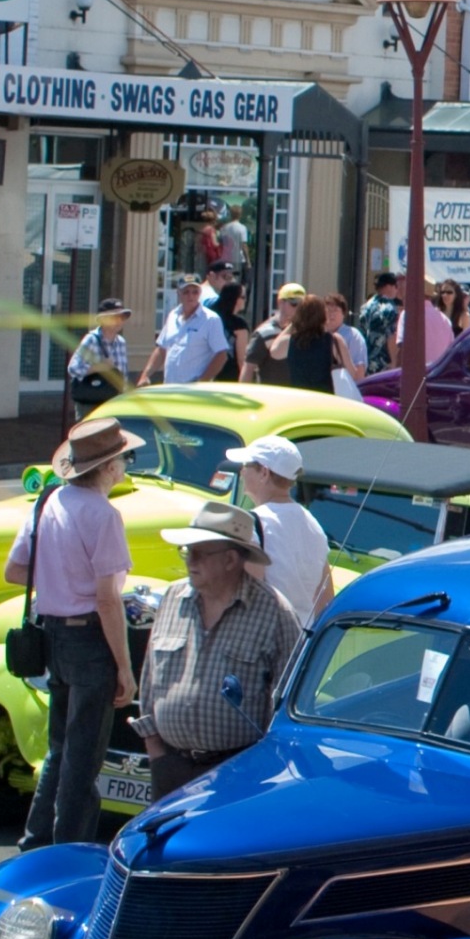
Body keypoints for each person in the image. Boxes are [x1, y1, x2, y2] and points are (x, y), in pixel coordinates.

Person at [6, 419, 141, 848]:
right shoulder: (103, 514)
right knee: (83, 759)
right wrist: (125, 666)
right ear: (108, 468)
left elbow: (14, 570)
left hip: (54, 637)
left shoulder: (50, 501)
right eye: (122, 458)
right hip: (88, 639)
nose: (125, 465)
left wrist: (58, 576)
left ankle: (35, 841)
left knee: (60, 749)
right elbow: (106, 600)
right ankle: (68, 852)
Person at [132, 502, 304, 801]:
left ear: (230, 560)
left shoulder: (274, 612)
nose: (190, 560)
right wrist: (156, 751)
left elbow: (287, 700)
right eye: (187, 551)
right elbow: (150, 679)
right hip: (170, 765)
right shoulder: (174, 598)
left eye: (200, 552)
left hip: (236, 770)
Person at [226, 434, 333, 625]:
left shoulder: (253, 524)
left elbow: (248, 599)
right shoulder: (315, 527)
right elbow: (325, 601)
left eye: (246, 465)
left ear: (264, 473)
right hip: (302, 643)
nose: (241, 472)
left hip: (267, 642)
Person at [140, 279, 233, 386]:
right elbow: (161, 349)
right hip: (169, 386)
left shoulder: (211, 319)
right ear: (178, 293)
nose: (191, 296)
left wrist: (202, 381)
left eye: (195, 292)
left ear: (200, 293)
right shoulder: (173, 315)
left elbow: (221, 355)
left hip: (194, 390)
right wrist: (145, 375)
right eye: (186, 292)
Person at [266, 295, 353, 395]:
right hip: (327, 401)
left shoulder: (290, 341)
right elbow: (352, 373)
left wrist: (293, 324)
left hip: (301, 400)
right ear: (323, 316)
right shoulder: (334, 341)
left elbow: (273, 351)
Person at [67, 298, 132, 421]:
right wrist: (100, 367)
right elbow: (73, 368)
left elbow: (124, 376)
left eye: (122, 317)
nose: (119, 321)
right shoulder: (91, 340)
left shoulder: (121, 343)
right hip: (90, 404)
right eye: (114, 316)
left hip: (113, 403)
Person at [239, 286, 303, 386]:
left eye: (303, 305)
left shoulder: (305, 332)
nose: (299, 308)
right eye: (294, 303)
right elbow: (249, 368)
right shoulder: (265, 333)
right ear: (280, 303)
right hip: (270, 395)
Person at [395, 276, 458, 369]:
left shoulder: (407, 315)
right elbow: (451, 351)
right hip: (437, 376)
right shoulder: (445, 320)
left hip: (414, 375)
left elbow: (402, 349)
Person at [357, 272, 402, 372]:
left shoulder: (366, 306)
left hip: (365, 360)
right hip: (383, 363)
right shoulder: (390, 310)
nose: (397, 289)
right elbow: (391, 337)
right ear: (388, 286)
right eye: (395, 286)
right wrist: (394, 362)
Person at [211, 281, 249, 374]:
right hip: (230, 376)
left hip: (209, 371)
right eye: (243, 297)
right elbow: (241, 359)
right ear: (234, 299)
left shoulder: (211, 317)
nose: (245, 300)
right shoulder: (239, 325)